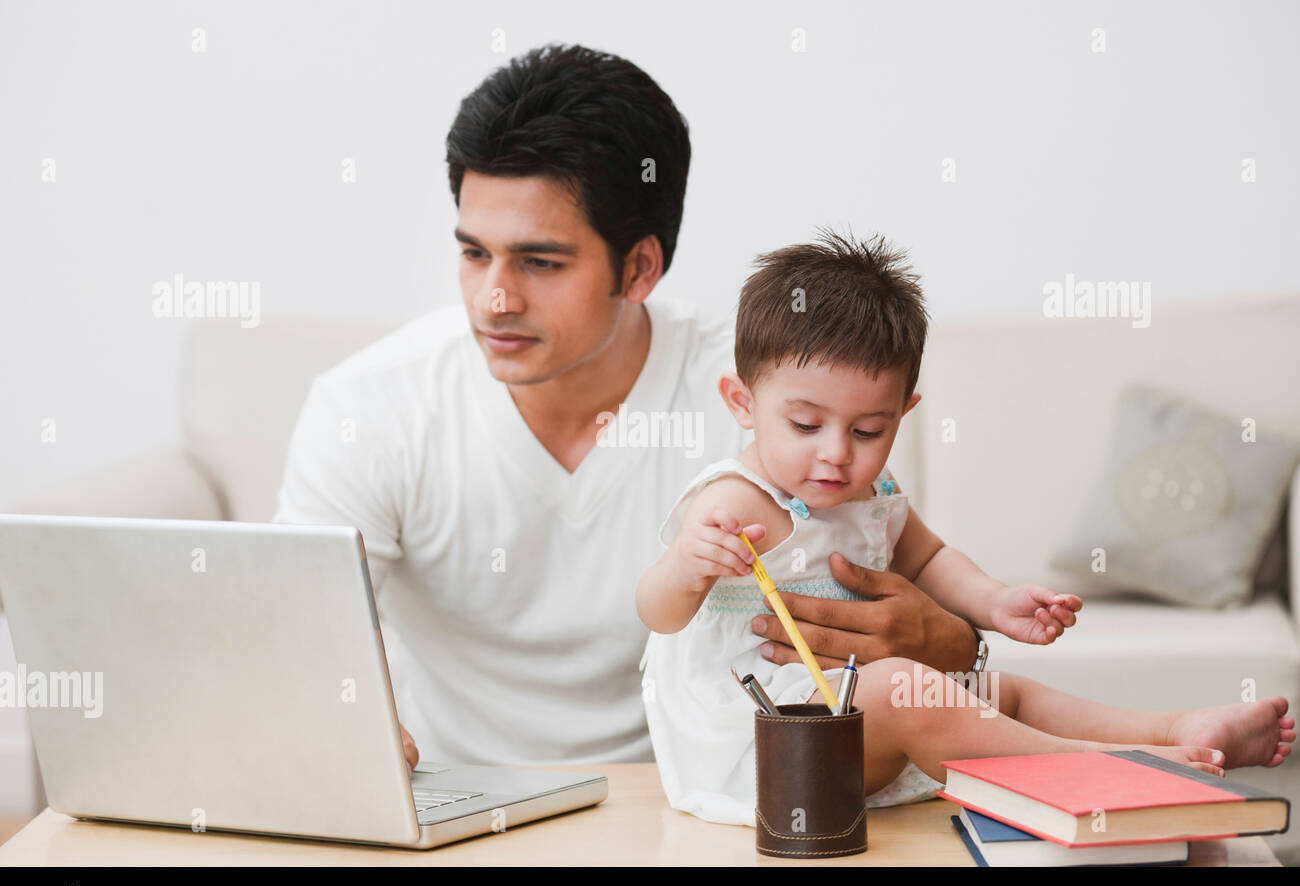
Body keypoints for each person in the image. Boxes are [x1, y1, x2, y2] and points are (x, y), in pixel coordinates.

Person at [273, 43, 983, 774]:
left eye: (540, 262)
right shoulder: (372, 405)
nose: (494, 298)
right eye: (475, 253)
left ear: (640, 267)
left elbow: (907, 600)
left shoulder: (774, 402)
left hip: (700, 805)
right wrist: (343, 718)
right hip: (455, 800)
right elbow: (293, 634)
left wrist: (959, 644)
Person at [635, 228, 1295, 825]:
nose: (837, 453)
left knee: (1000, 692)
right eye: (806, 425)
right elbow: (657, 615)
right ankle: (1113, 764)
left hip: (864, 722)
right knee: (905, 685)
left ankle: (1177, 728)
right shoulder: (737, 501)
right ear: (742, 402)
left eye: (869, 429)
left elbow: (928, 560)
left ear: (904, 412)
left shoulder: (874, 491)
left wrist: (996, 600)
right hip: (768, 746)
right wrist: (687, 564)